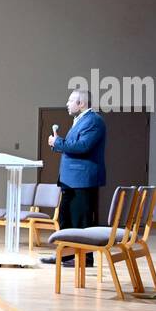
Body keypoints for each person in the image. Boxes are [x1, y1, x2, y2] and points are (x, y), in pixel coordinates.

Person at [42, 87, 108, 268]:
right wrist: (57, 143)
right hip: (70, 180)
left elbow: (83, 146)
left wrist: (59, 142)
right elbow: (73, 145)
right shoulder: (80, 120)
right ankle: (64, 255)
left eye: (71, 101)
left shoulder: (94, 120)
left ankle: (85, 259)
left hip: (83, 181)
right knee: (66, 219)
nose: (67, 104)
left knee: (81, 222)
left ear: (81, 103)